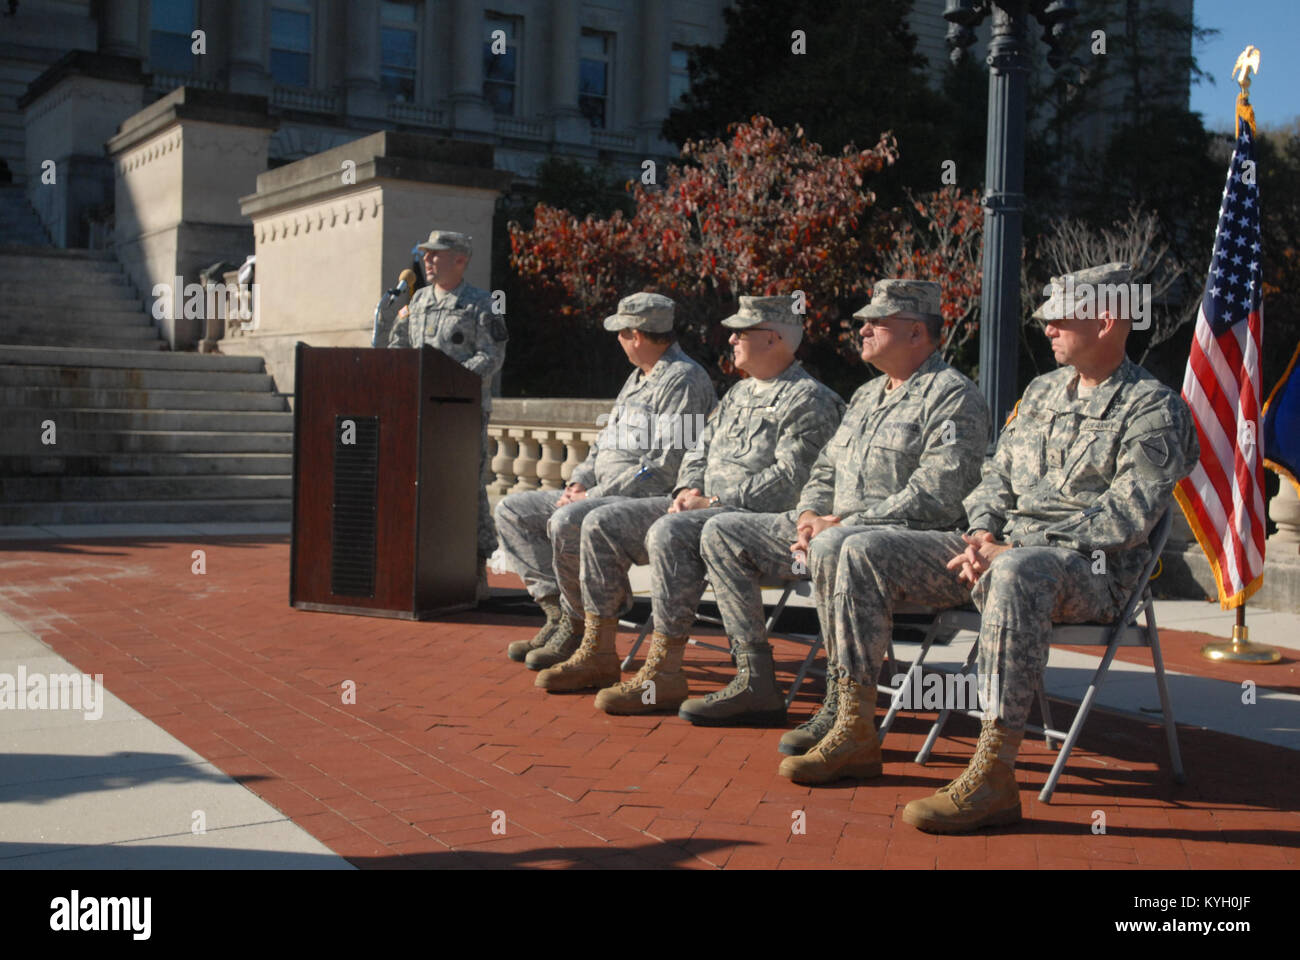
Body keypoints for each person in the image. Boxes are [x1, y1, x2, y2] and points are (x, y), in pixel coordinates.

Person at [786, 263, 1198, 835]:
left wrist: (1013, 548)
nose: (1047, 329)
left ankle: (995, 775)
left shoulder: (1154, 408)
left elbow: (1125, 516)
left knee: (1018, 574)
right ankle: (856, 728)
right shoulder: (1041, 391)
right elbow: (994, 478)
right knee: (858, 549)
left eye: (1058, 319)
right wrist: (981, 532)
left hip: (1086, 571)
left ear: (1107, 321)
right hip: (999, 550)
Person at [696, 280, 989, 730]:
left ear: (916, 332)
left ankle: (847, 706)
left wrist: (845, 523)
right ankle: (755, 679)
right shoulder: (867, 395)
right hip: (837, 531)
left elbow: (938, 492)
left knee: (839, 546)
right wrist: (811, 514)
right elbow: (825, 468)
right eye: (864, 321)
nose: (863, 329)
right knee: (723, 532)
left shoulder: (952, 395)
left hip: (911, 544)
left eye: (877, 321)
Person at [535, 295, 845, 706]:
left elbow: (791, 479)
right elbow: (698, 447)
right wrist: (687, 490)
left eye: (742, 331)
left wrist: (714, 499)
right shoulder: (737, 393)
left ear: (772, 338)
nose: (731, 338)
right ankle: (598, 651)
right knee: (599, 522)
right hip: (701, 508)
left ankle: (664, 669)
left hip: (754, 520)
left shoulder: (810, 400)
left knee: (669, 530)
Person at [495, 292, 716, 667]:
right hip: (599, 494)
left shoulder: (684, 380)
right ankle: (562, 616)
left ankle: (584, 627)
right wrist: (579, 482)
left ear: (637, 335)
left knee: (567, 520)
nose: (617, 340)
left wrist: (593, 495)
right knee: (513, 511)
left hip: (648, 503)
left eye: (621, 332)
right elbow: (603, 446)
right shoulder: (636, 378)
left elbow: (662, 466)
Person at [386, 230, 506, 597]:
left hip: (461, 415)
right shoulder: (416, 301)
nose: (427, 260)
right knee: (420, 485)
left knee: (465, 488)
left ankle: (474, 566)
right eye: (425, 254)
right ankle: (424, 563)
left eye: (436, 254)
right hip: (419, 414)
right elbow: (398, 344)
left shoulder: (482, 304)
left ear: (460, 259)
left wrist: (451, 381)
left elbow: (492, 356)